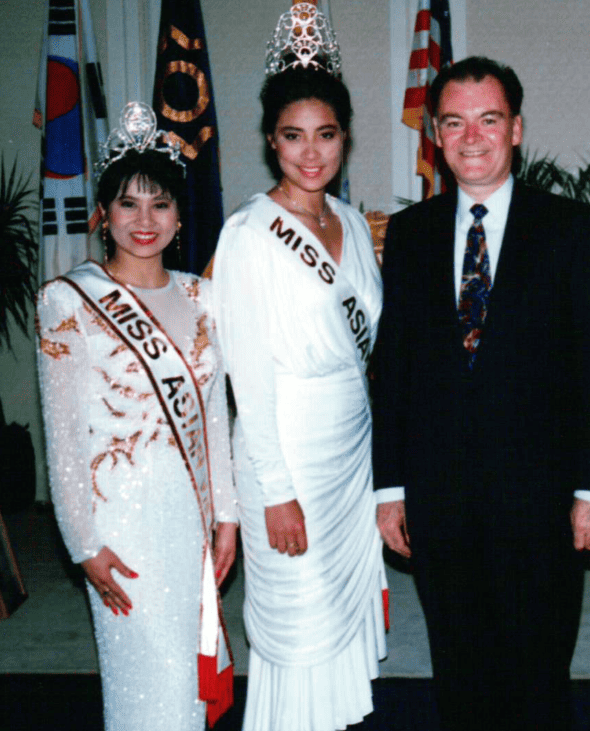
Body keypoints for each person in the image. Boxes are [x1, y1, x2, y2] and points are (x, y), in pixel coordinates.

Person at [371, 56, 590, 731]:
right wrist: (389, 487)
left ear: (516, 129)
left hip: (543, 504)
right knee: (460, 675)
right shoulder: (412, 235)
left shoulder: (572, 228)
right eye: (454, 122)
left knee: (538, 680)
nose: (472, 137)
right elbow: (394, 366)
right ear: (436, 135)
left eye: (489, 119)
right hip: (440, 502)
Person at [211, 5, 386, 730]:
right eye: (293, 135)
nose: (311, 153)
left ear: (345, 137)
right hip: (285, 452)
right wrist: (277, 492)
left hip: (350, 456)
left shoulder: (353, 226)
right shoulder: (249, 234)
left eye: (326, 134)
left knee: (339, 618)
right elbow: (246, 378)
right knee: (299, 619)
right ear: (270, 140)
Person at [36, 102, 237, 730]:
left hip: (189, 519)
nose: (144, 221)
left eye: (160, 204)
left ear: (178, 215)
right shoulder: (68, 302)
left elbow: (214, 420)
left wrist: (227, 516)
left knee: (187, 686)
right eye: (128, 204)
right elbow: (63, 437)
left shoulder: (203, 297)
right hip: (120, 525)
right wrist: (83, 543)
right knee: (146, 684)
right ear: (104, 212)